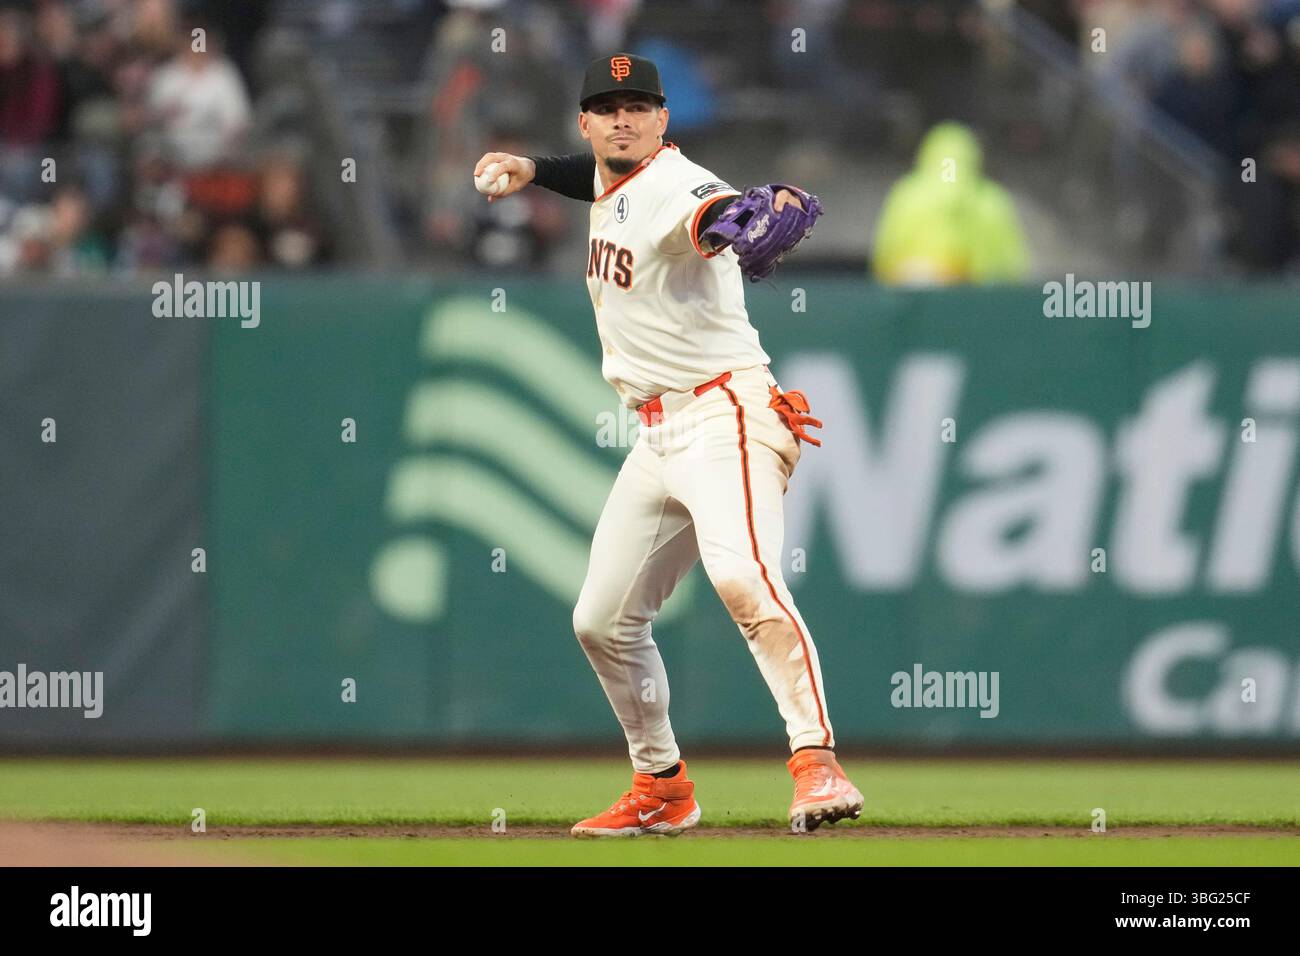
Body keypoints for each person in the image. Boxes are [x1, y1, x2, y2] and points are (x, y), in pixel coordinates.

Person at [473, 53, 863, 836]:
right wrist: (529, 166)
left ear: (664, 120)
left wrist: (743, 217)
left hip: (727, 414)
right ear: (586, 123)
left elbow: (707, 216)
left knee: (742, 577)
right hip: (658, 433)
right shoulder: (610, 182)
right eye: (608, 106)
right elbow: (595, 181)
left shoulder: (673, 183)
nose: (624, 118)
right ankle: (661, 784)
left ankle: (817, 762)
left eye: (640, 105)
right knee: (602, 619)